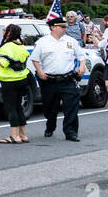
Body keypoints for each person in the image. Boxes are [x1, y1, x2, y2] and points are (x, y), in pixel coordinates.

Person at [29, 13, 89, 142]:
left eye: (65, 26)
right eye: (61, 26)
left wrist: (82, 66)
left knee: (72, 107)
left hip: (67, 79)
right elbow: (35, 59)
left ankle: (71, 132)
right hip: (49, 81)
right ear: (53, 28)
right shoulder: (42, 42)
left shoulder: (70, 41)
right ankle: (50, 126)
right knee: (50, 108)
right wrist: (39, 71)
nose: (64, 29)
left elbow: (81, 56)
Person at [0, 24, 31, 144]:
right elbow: (14, 60)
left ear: (9, 33)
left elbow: (3, 63)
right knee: (18, 107)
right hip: (22, 79)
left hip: (9, 81)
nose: (3, 32)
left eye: (5, 30)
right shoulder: (20, 45)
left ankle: (15, 136)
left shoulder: (7, 47)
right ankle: (23, 135)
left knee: (11, 109)